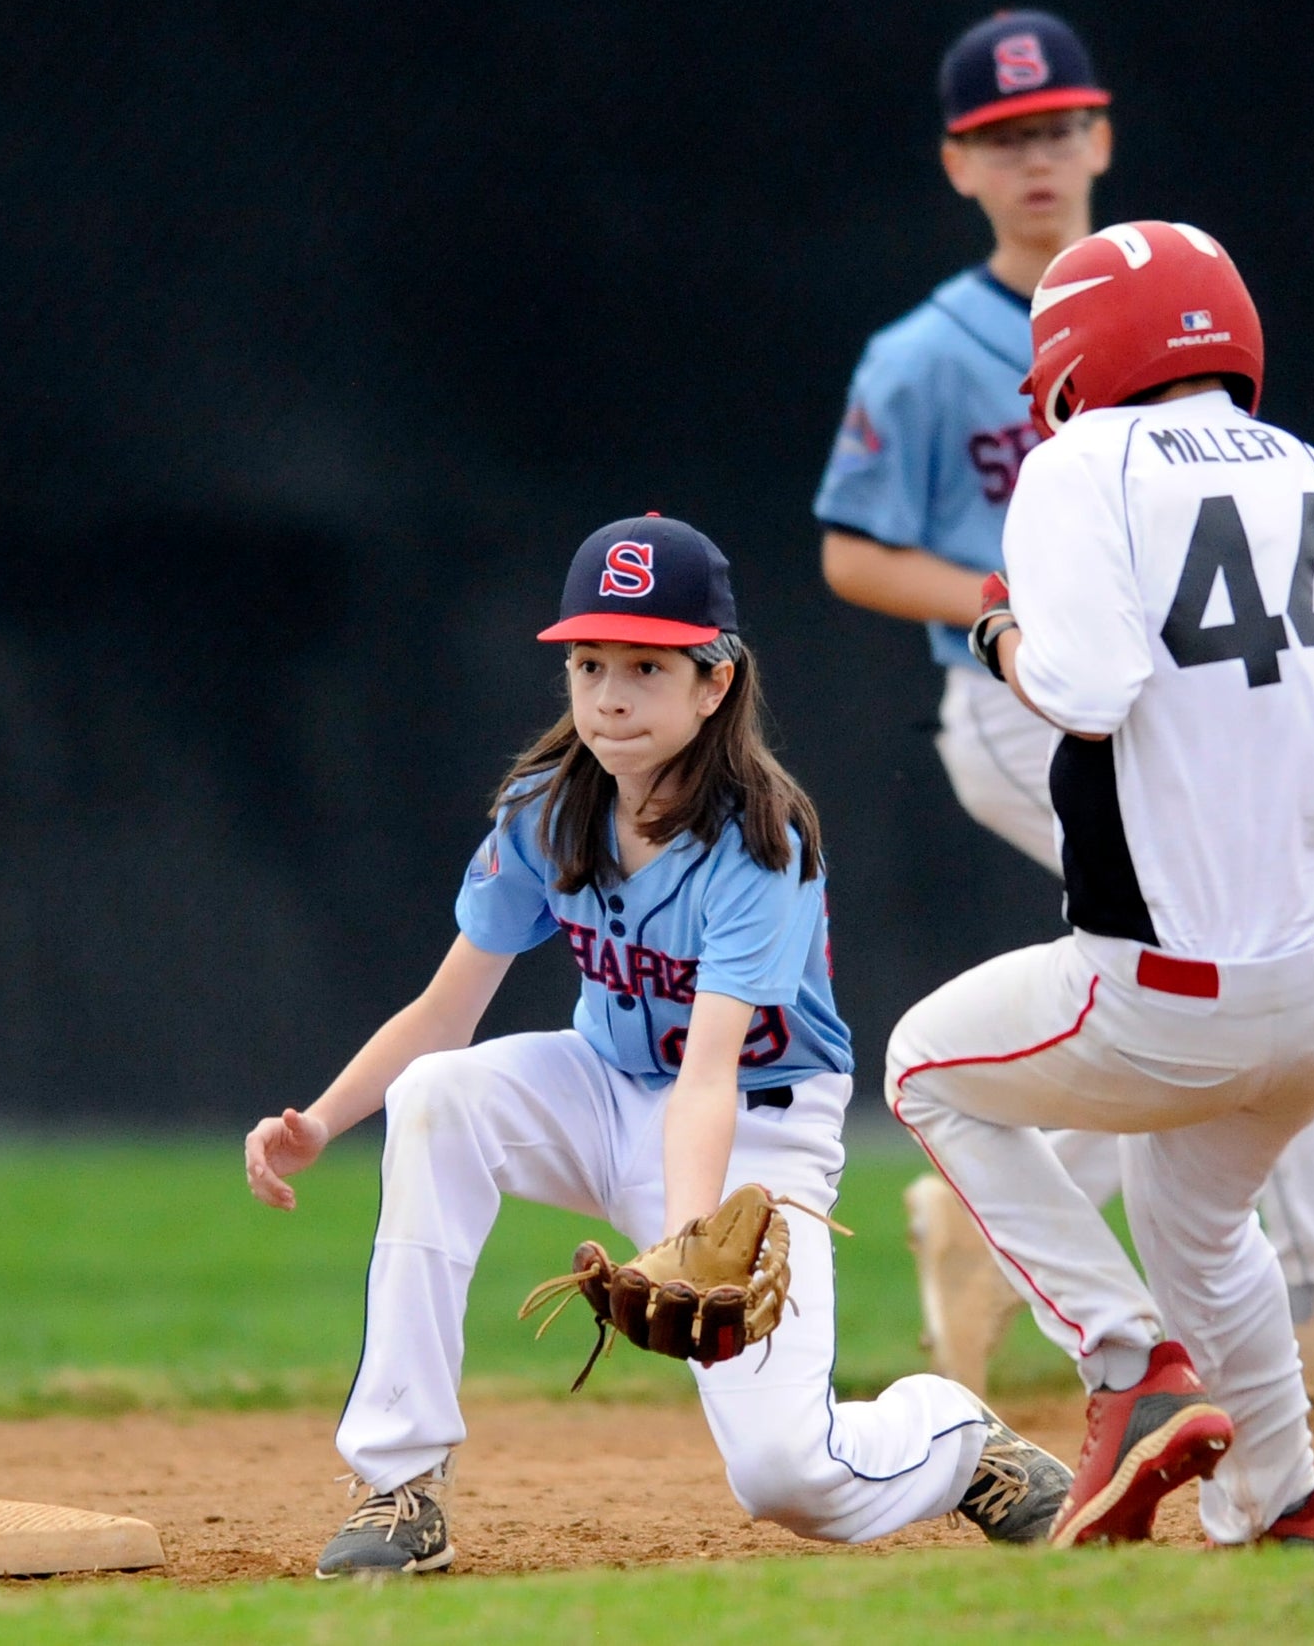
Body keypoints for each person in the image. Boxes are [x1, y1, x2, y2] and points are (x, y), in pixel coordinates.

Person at [813, 7, 1314, 1413]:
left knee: (1215, 976)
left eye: (1058, 127)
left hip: (1167, 695)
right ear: (958, 164)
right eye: (1004, 137)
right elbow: (850, 552)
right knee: (1244, 943)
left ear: (1102, 138)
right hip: (1020, 709)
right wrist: (1008, 609)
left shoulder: (1148, 321)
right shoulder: (923, 353)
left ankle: (1008, 1213)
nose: (1037, 157)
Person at [243, 514, 1071, 1578]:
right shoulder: (547, 808)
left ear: (714, 682)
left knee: (788, 1477)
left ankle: (955, 1442)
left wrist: (687, 1237)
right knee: (441, 1092)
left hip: (753, 1131)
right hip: (599, 1085)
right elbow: (445, 1013)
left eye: (647, 665)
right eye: (589, 664)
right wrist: (320, 1122)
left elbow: (710, 1073)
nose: (611, 696)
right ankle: (399, 1481)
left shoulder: (761, 841)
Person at [887, 220, 1314, 1548]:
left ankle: (1125, 1358)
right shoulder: (1303, 464)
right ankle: (1286, 1497)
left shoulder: (1079, 460)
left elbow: (1086, 690)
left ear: (1075, 355)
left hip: (1169, 989)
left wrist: (998, 627)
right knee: (1196, 1218)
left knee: (925, 1067)